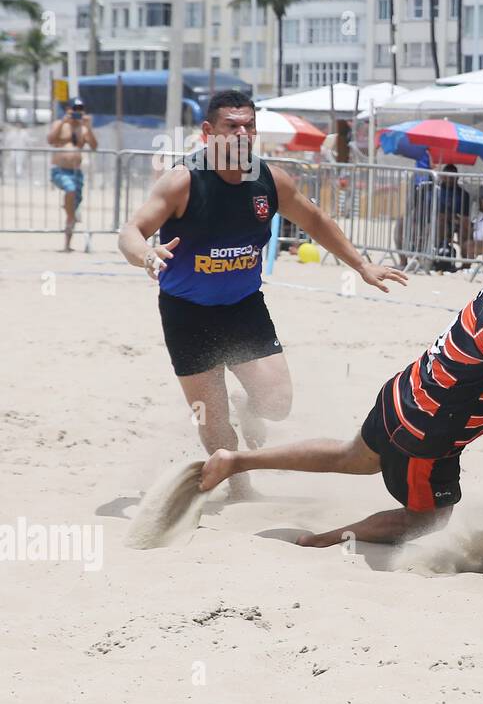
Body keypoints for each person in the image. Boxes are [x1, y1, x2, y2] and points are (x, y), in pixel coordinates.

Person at [197, 238, 483, 545]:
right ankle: (323, 541)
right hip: (425, 438)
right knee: (428, 520)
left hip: (400, 397)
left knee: (349, 456)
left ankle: (236, 459)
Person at [117, 89, 408, 500]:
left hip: (243, 308)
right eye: (230, 126)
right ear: (207, 132)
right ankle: (241, 489)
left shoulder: (268, 180)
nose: (241, 133)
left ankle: (245, 405)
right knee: (214, 420)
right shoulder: (184, 181)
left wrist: (361, 265)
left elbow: (316, 219)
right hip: (187, 313)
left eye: (248, 126)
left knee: (276, 404)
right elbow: (130, 231)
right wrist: (146, 254)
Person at [47, 97, 98, 252]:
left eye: (80, 109)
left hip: (76, 172)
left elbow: (94, 146)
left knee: (74, 207)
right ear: (68, 109)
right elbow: (50, 140)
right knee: (69, 189)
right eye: (74, 109)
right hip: (60, 170)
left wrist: (88, 127)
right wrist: (64, 121)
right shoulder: (60, 124)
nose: (77, 112)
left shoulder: (83, 128)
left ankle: (67, 244)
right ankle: (69, 210)